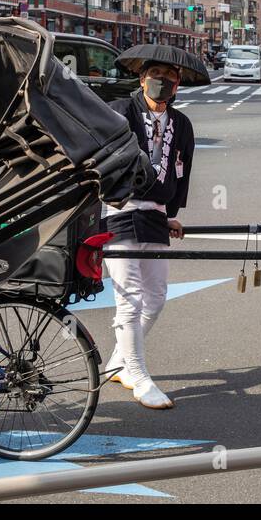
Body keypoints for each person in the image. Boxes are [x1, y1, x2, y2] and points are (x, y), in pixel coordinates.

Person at [102, 57, 195, 410]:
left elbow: (182, 170)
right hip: (118, 211)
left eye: (170, 77)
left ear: (178, 85)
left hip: (155, 214)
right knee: (130, 299)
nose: (163, 82)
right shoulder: (120, 111)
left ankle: (117, 362)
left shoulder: (181, 123)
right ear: (142, 80)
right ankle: (139, 376)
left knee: (156, 295)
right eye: (156, 75)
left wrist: (171, 214)